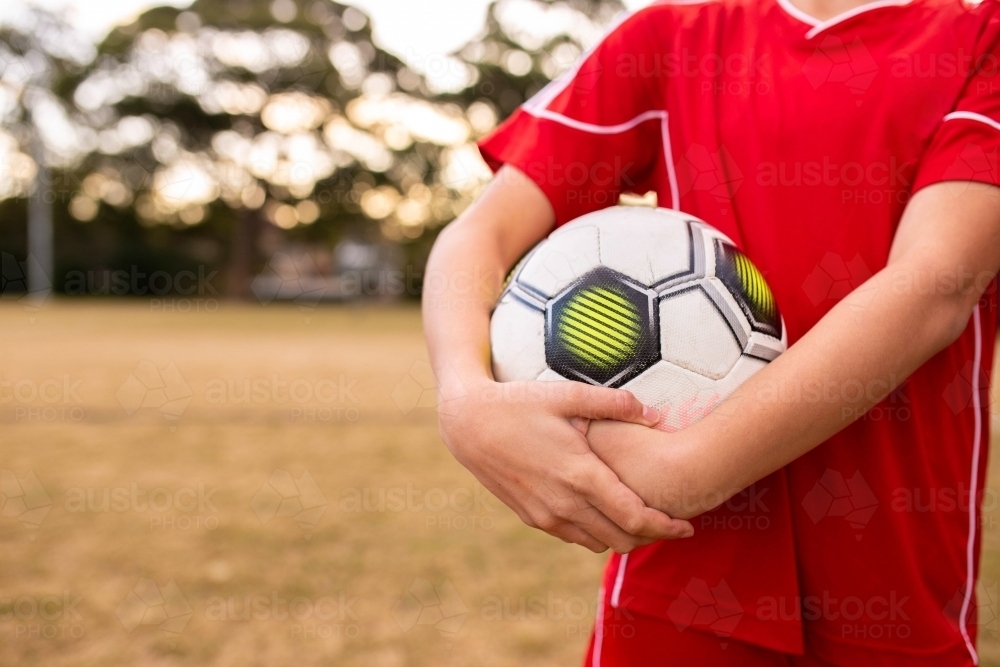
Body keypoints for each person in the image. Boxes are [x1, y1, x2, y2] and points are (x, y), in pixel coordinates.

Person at [421, 0, 1000, 663]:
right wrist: (465, 399)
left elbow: (937, 284)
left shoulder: (981, 39)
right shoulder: (670, 37)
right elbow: (480, 233)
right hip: (678, 590)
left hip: (893, 588)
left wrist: (683, 471)